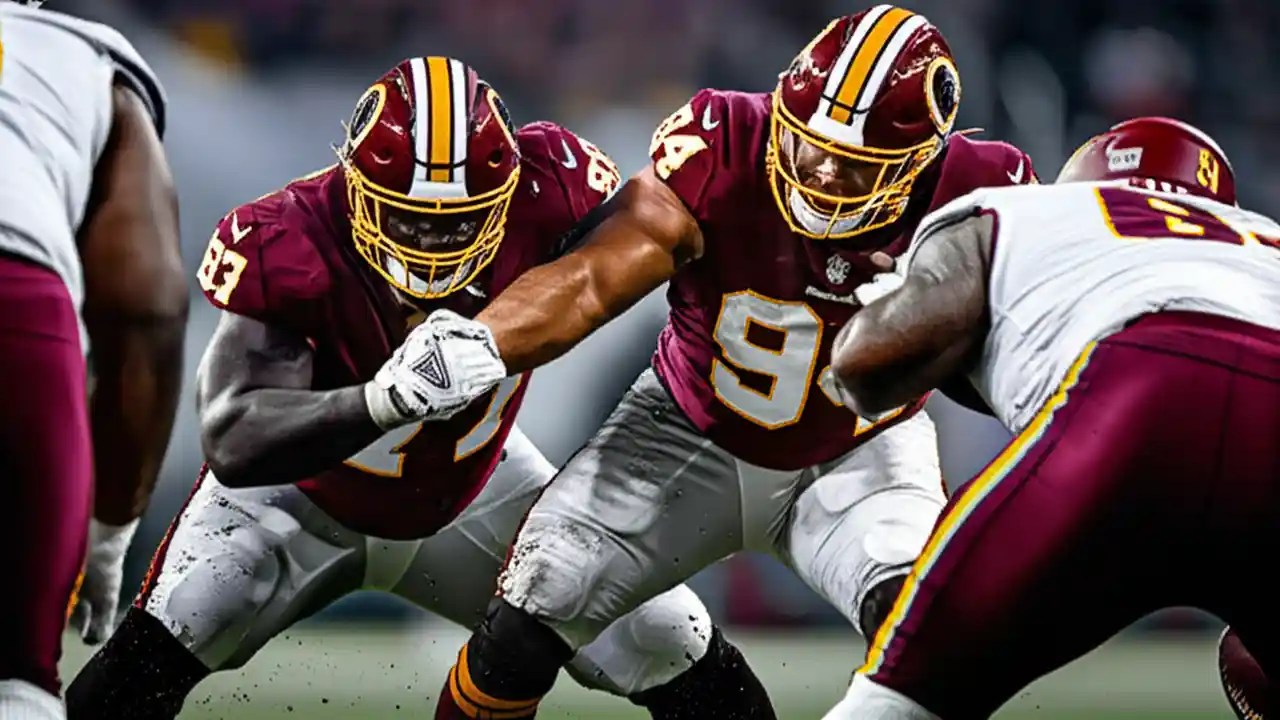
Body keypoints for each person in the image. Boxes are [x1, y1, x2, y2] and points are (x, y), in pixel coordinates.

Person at [64, 55, 771, 720]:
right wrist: (381, 401)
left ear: (507, 193)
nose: (433, 243)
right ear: (355, 190)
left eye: (460, 220)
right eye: (408, 216)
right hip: (297, 503)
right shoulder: (290, 237)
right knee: (145, 664)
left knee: (667, 635)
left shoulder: (551, 186)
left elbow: (638, 247)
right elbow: (233, 439)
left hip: (477, 485)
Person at [412, 6, 1038, 718]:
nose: (825, 174)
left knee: (929, 631)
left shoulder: (985, 194)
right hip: (685, 432)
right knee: (528, 613)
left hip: (860, 448)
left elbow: (1020, 365)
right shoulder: (725, 141)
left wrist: (948, 313)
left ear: (921, 161)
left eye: (857, 165)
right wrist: (485, 343)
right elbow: (596, 277)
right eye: (809, 146)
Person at [821, 116, 1280, 719]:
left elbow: (870, 368)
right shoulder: (1265, 239)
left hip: (1131, 404)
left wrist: (882, 308)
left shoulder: (1019, 211)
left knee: (900, 702)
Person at [0, 2, 184, 717]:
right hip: (15, 303)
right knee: (16, 683)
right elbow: (149, 305)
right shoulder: (78, 56)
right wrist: (108, 534)